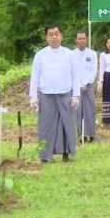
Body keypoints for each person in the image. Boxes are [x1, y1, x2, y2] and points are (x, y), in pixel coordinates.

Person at [29, 24, 80, 162]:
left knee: (67, 124)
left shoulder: (69, 54)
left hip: (65, 93)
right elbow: (34, 76)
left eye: (56, 33)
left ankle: (66, 153)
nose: (54, 37)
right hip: (47, 93)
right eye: (51, 34)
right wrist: (33, 96)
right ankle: (44, 156)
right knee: (45, 125)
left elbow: (76, 75)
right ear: (46, 37)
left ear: (61, 36)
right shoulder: (40, 55)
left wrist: (76, 95)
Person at [72, 31, 97, 142]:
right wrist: (78, 84)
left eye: (84, 39)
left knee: (89, 110)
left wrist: (85, 83)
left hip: (88, 86)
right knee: (77, 110)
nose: (82, 41)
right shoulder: (71, 54)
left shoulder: (92, 54)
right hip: (75, 86)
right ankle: (80, 135)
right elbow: (70, 71)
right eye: (80, 39)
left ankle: (91, 134)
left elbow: (93, 71)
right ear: (75, 40)